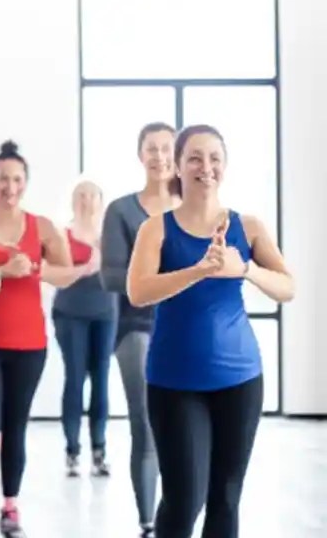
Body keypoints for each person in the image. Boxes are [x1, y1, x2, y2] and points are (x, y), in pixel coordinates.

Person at [127, 124, 294, 538]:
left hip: (240, 379)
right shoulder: (157, 228)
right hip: (174, 381)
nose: (206, 167)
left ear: (225, 165)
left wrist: (247, 269)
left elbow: (287, 286)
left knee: (225, 497)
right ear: (178, 167)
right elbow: (138, 291)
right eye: (195, 158)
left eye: (214, 157)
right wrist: (199, 270)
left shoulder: (248, 227)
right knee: (184, 499)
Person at [0, 140, 75, 538]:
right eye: (2, 179)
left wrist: (38, 268)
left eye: (16, 179)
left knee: (15, 425)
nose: (9, 186)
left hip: (29, 343)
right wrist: (4, 270)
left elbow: (67, 272)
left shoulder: (41, 226)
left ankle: (10, 506)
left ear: (25, 182)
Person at [100, 121, 178, 537]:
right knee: (145, 424)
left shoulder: (192, 208)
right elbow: (111, 277)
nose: (161, 156)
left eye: (167, 148)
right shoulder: (120, 210)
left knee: (183, 427)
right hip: (137, 329)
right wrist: (161, 272)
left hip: (189, 329)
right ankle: (149, 524)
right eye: (153, 148)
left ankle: (178, 516)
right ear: (140, 154)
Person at [51, 179, 115, 478]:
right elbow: (51, 272)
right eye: (81, 196)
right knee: (75, 377)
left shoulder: (110, 236)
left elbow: (126, 271)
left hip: (105, 312)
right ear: (73, 201)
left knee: (101, 378)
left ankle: (99, 450)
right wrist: (83, 269)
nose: (86, 201)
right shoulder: (62, 236)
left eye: (92, 196)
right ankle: (72, 450)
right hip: (70, 313)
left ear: (100, 201)